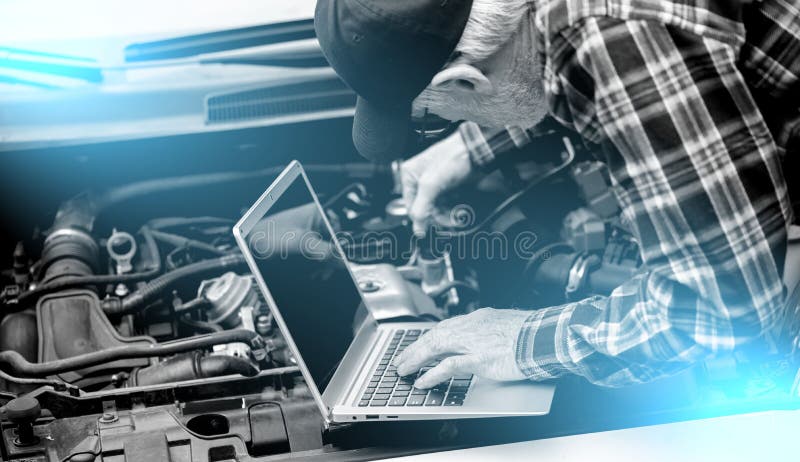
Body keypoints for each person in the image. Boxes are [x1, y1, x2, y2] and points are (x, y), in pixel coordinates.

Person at [314, 0, 798, 389]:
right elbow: (537, 57)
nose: (458, 123)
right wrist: (471, 146)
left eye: (435, 119)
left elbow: (722, 317)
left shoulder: (608, 31)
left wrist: (521, 341)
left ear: (462, 79)